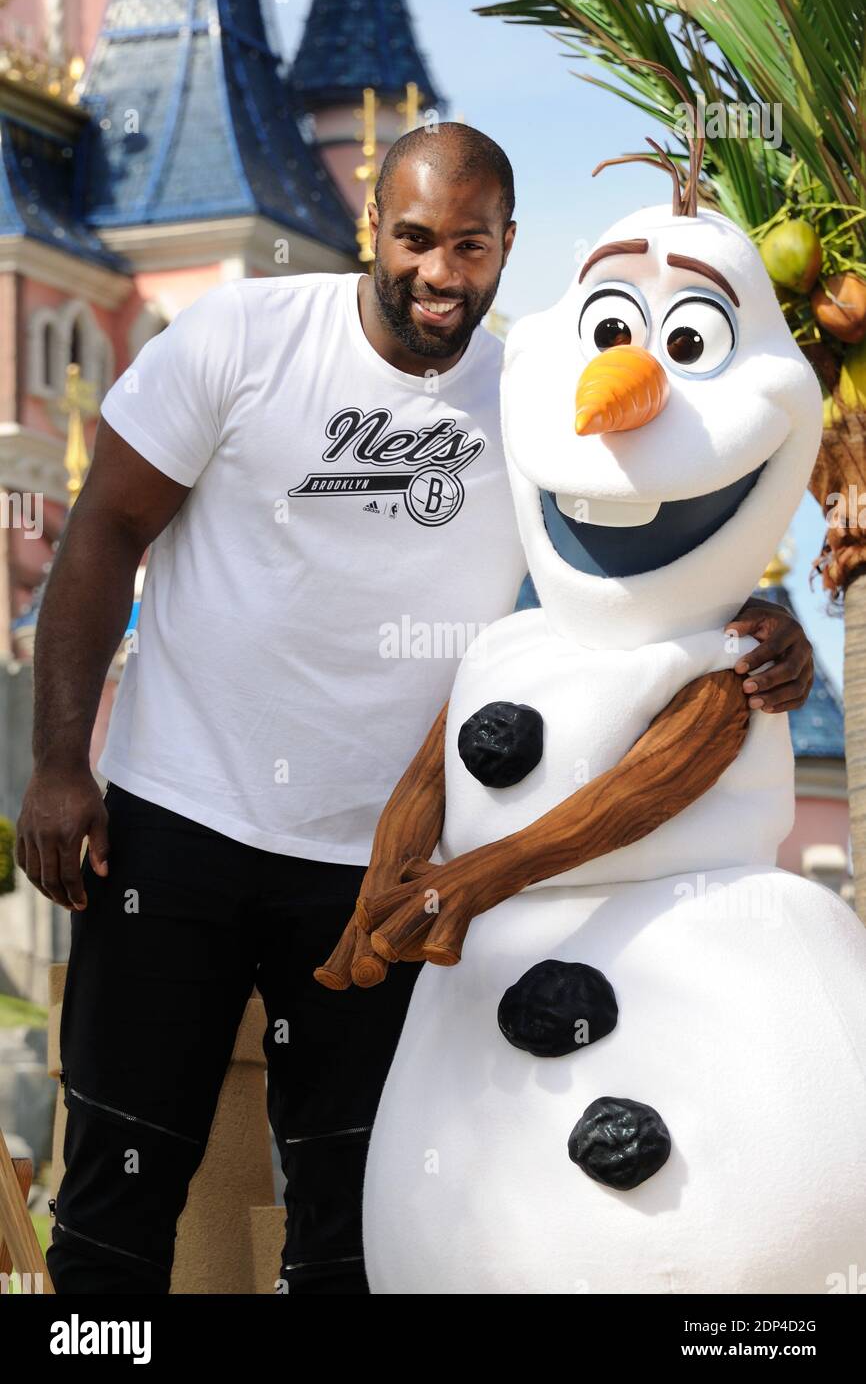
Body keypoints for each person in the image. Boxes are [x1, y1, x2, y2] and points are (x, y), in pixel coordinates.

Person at [16, 123, 814, 1296]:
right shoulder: (245, 337)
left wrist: (759, 619)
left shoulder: (533, 404)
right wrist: (55, 767)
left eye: (470, 245)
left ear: (505, 249)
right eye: (415, 238)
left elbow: (631, 565)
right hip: (175, 826)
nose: (440, 271)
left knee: (354, 1228)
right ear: (370, 230)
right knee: (113, 1212)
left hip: (380, 873)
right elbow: (102, 530)